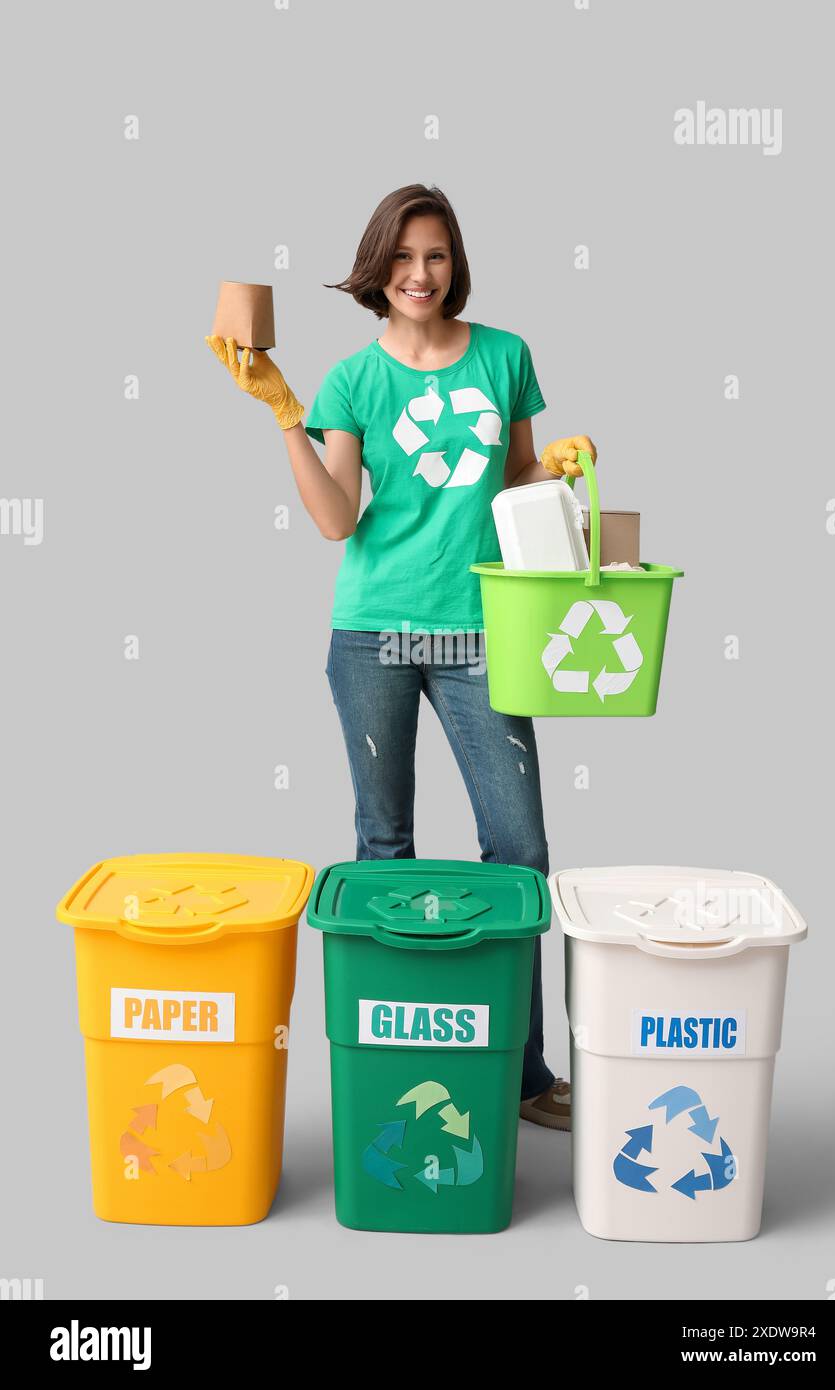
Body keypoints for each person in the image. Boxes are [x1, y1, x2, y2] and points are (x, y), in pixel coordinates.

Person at [207, 184, 596, 1131]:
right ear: (377, 267)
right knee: (384, 852)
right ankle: (407, 1052)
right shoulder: (351, 380)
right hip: (373, 631)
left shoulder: (506, 355)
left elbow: (513, 477)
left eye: (437, 256)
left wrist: (562, 464)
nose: (421, 276)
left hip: (481, 631)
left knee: (521, 852)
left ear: (455, 263)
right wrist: (285, 415)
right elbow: (338, 519)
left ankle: (521, 1070)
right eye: (404, 258)